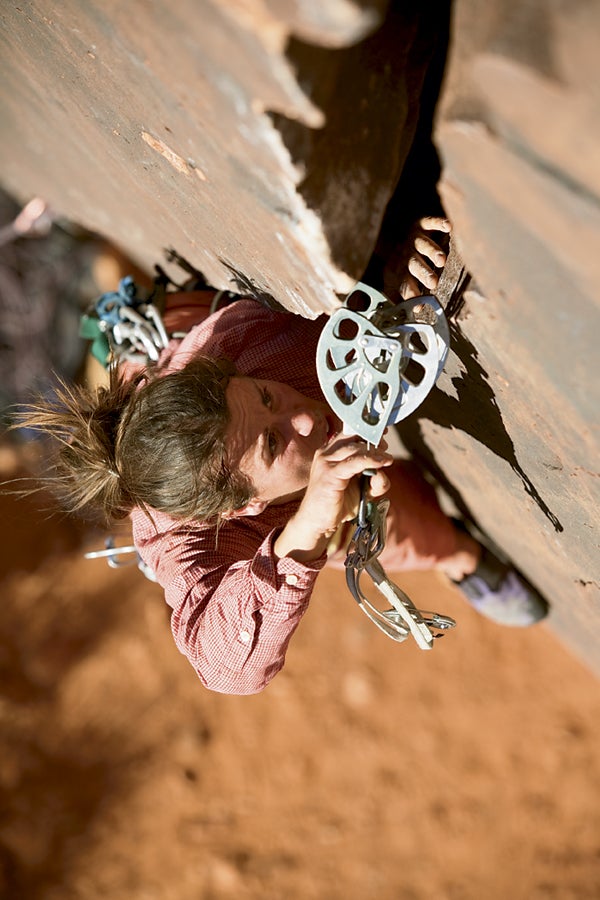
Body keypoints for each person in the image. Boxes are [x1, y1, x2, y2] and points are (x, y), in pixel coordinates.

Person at [20, 219, 548, 695]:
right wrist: (308, 528)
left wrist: (390, 271)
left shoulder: (247, 344)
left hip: (183, 343)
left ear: (235, 378)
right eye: (272, 443)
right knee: (401, 530)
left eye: (267, 398)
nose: (304, 418)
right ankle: (459, 558)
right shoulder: (184, 543)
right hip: (293, 520)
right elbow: (224, 669)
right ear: (241, 507)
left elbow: (352, 303)